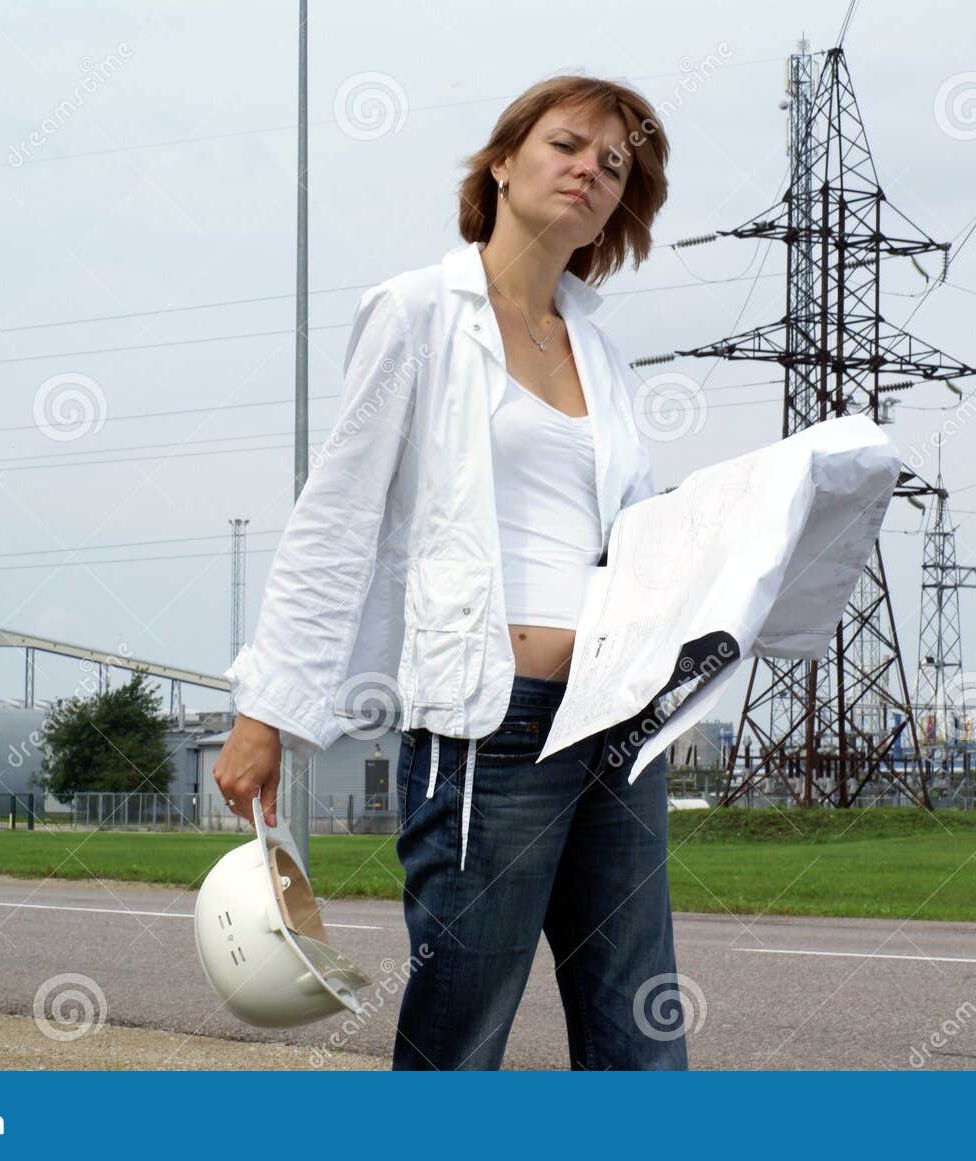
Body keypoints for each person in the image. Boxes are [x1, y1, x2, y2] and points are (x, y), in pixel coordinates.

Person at [214, 73, 684, 1070]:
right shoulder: (418, 312)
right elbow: (334, 519)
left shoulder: (600, 355)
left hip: (617, 717)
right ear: (503, 161)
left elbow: (635, 543)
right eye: (568, 146)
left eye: (613, 166)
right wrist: (267, 711)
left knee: (639, 1024)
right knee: (462, 1029)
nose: (590, 172)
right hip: (489, 722)